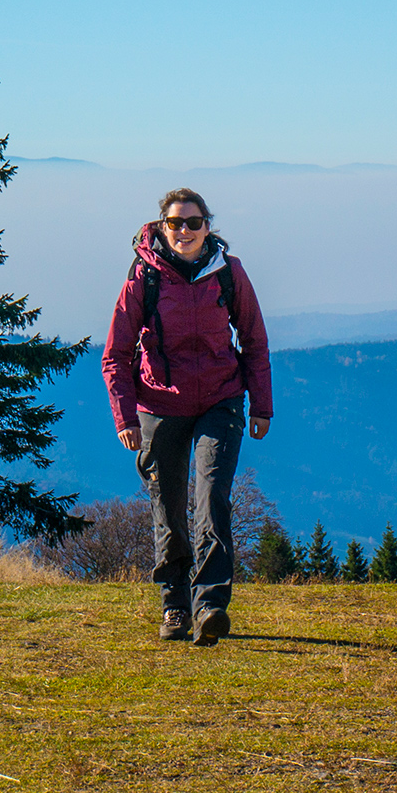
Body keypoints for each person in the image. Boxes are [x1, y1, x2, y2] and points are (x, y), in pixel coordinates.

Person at [102, 188, 273, 645]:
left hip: (221, 399)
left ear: (207, 227)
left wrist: (261, 405)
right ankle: (175, 606)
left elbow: (254, 339)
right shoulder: (144, 276)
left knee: (213, 496)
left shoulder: (229, 273)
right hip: (159, 404)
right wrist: (125, 418)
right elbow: (116, 353)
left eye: (193, 223)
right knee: (169, 508)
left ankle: (211, 605)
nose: (184, 231)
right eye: (175, 223)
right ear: (162, 226)